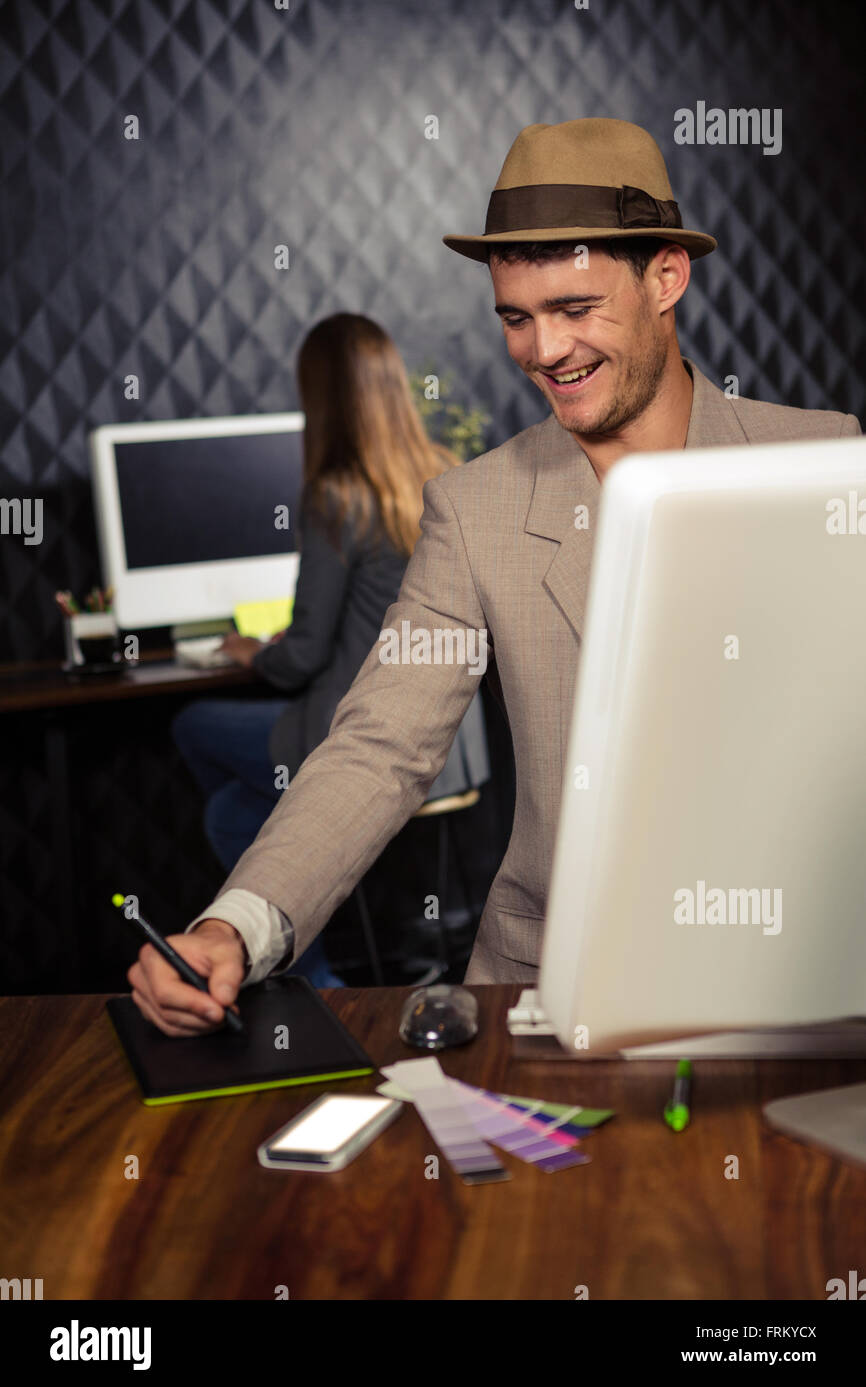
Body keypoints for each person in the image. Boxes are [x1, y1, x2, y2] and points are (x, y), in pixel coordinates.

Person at [128, 117, 862, 1036]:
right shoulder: (474, 509)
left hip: (805, 975)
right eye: (517, 317)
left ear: (667, 277)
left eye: (576, 308)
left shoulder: (827, 455)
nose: (543, 351)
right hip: (550, 987)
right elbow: (379, 745)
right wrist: (236, 928)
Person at [168, 312, 455, 990]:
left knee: (191, 726)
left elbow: (301, 656)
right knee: (236, 809)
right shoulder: (443, 480)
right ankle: (291, 866)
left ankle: (314, 979)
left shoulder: (335, 497)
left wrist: (246, 653)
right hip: (453, 752)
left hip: (350, 732)